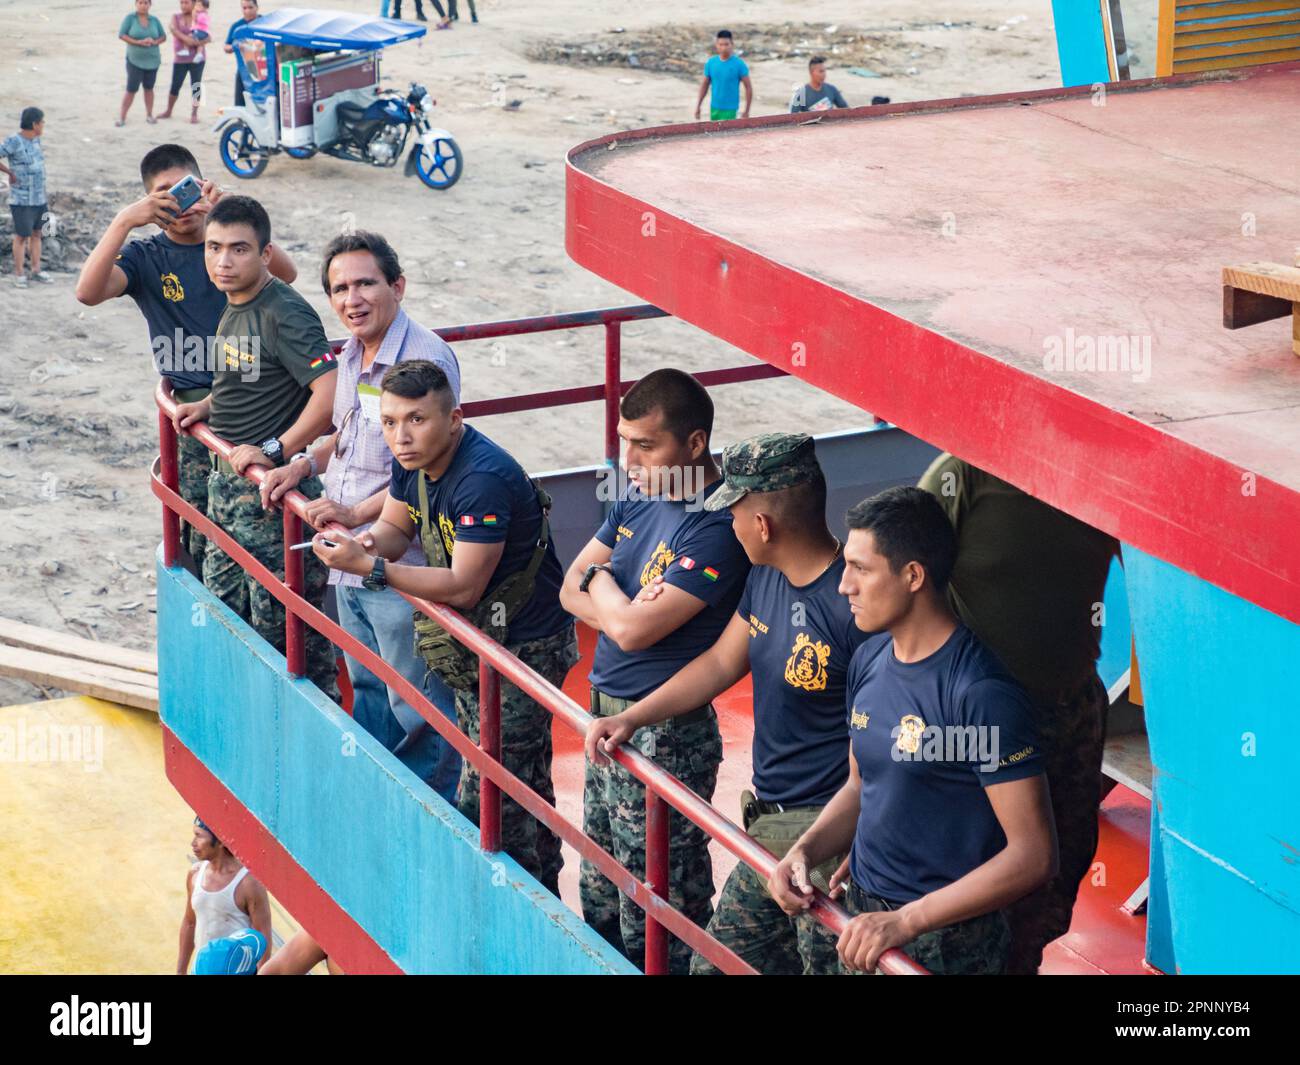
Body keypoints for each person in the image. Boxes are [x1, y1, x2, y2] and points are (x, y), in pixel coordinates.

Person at [585, 433, 867, 975]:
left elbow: (869, 763)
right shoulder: (764, 578)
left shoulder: (852, 609)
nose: (727, 526)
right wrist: (630, 716)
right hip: (770, 825)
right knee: (712, 966)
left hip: (826, 841)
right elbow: (718, 665)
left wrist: (827, 846)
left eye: (734, 514)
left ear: (763, 526)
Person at [768, 487, 1058, 975]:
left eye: (861, 569)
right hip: (859, 919)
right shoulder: (868, 659)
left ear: (913, 576)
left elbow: (1033, 856)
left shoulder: (979, 693)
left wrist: (906, 921)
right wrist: (804, 850)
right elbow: (862, 787)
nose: (844, 586)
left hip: (942, 943)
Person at [312, 361, 577, 894]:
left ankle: (518, 894)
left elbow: (464, 587)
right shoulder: (413, 460)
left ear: (454, 418)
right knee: (510, 774)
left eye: (416, 420)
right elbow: (393, 526)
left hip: (524, 647)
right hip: (486, 641)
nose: (400, 436)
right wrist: (363, 545)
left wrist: (372, 569)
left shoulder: (481, 480)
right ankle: (533, 882)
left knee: (497, 786)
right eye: (388, 422)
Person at [260, 231, 463, 803]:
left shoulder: (423, 360)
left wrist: (351, 512)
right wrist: (298, 464)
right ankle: (376, 797)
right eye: (340, 288)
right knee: (370, 687)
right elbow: (344, 437)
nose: (353, 298)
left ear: (397, 286)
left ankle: (429, 812)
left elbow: (424, 470)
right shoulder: (350, 355)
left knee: (418, 702)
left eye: (366, 283)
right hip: (347, 558)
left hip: (395, 560)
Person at [560, 369, 750, 973]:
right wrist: (610, 591)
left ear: (694, 445)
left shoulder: (719, 526)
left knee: (662, 899)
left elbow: (634, 630)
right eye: (625, 442)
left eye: (646, 445)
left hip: (666, 731)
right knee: (602, 879)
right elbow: (570, 587)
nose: (630, 459)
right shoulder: (637, 493)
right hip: (603, 714)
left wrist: (603, 582)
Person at [918, 452, 1119, 973]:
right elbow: (901, 572)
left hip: (1071, 712)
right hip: (983, 718)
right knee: (975, 876)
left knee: (1056, 873)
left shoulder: (1107, 472)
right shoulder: (964, 473)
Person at [75, 144, 297, 575]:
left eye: (187, 188)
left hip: (254, 401)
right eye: (165, 193)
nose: (180, 202)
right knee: (197, 525)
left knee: (260, 522)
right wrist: (125, 221)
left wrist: (229, 208)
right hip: (191, 414)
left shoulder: (229, 248)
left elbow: (285, 274)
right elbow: (87, 292)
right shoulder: (146, 257)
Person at [170, 195, 340, 701]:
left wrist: (275, 447)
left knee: (286, 632)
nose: (223, 261)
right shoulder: (235, 304)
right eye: (214, 248)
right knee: (225, 610)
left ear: (266, 254)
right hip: (229, 489)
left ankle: (315, 731)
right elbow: (249, 373)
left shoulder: (284, 311)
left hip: (272, 499)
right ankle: (247, 715)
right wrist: (210, 406)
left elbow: (328, 394)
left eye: (239, 249)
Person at [178, 818, 272, 974]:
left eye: (199, 836)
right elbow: (189, 923)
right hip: (204, 969)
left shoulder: (249, 883)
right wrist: (180, 971)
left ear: (221, 841)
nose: (193, 843)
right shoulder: (194, 874)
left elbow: (263, 935)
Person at [0, 108, 49, 288]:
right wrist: (9, 173)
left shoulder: (36, 140)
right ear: (35, 124)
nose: (43, 125)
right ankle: (19, 273)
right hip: (21, 199)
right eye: (42, 122)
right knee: (21, 236)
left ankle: (36, 270)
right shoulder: (14, 141)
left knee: (37, 234)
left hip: (39, 198)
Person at [118, 0, 166, 126]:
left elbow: (163, 36)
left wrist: (155, 42)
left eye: (146, 3)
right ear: (136, 4)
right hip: (134, 60)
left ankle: (149, 115)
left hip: (153, 60)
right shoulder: (130, 18)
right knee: (131, 89)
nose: (143, 5)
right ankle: (122, 117)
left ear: (150, 5)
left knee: (149, 88)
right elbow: (122, 35)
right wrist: (138, 42)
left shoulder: (154, 20)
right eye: (140, 2)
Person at [160, 0, 206, 124]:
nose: (183, 6)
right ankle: (169, 110)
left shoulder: (200, 16)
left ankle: (195, 113)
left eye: (186, 3)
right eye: (182, 3)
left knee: (196, 85)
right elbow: (173, 31)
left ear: (193, 3)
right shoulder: (176, 16)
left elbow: (208, 36)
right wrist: (189, 40)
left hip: (198, 59)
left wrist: (181, 35)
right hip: (180, 59)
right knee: (175, 85)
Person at [694, 29, 751, 122]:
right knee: (715, 134)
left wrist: (747, 111)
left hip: (730, 109)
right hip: (714, 107)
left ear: (732, 44)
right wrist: (698, 106)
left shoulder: (739, 64)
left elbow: (748, 87)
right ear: (716, 45)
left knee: (728, 135)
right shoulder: (711, 63)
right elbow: (704, 85)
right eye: (721, 44)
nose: (723, 48)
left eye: (726, 44)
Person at [224, 0, 259, 107]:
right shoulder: (237, 26)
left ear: (257, 7)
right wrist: (237, 46)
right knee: (240, 101)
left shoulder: (265, 22)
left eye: (250, 7)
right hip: (244, 68)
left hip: (264, 69)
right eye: (244, 8)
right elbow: (226, 47)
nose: (247, 11)